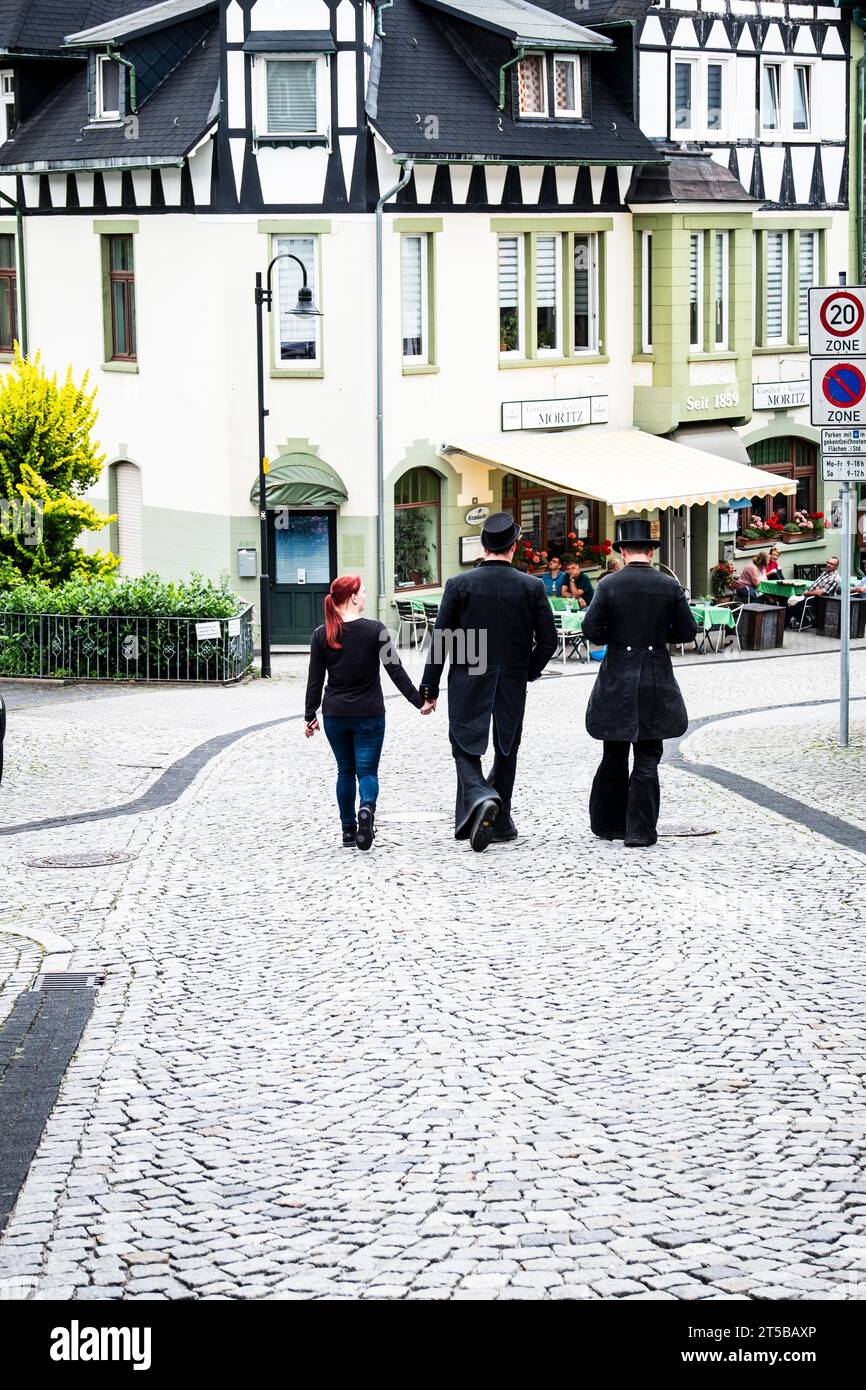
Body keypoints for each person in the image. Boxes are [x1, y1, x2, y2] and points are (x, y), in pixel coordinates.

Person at [419, 512, 557, 851]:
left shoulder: (459, 585)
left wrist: (430, 688)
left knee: (463, 744)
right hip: (511, 677)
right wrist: (528, 670)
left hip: (469, 675)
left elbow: (442, 640)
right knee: (507, 747)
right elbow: (549, 640)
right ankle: (500, 819)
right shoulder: (531, 586)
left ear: (484, 547)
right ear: (514, 547)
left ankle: (482, 795)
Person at [581, 518, 699, 849]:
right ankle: (640, 830)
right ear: (650, 550)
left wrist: (614, 637)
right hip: (655, 674)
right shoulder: (668, 585)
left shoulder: (608, 585)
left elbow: (592, 630)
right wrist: (661, 636)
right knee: (648, 756)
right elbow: (688, 631)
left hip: (618, 673)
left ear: (622, 550)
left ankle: (609, 824)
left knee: (614, 752)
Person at [305, 575, 434, 849]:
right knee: (367, 772)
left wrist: (309, 716)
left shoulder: (321, 634)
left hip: (335, 715)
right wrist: (419, 702)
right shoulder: (376, 630)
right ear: (352, 597)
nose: (365, 596)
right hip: (369, 714)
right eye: (363, 592)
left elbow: (314, 680)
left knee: (344, 771)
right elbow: (395, 670)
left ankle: (349, 832)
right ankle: (367, 809)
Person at [786, 555, 841, 628]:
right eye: (828, 562)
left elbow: (820, 593)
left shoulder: (834, 578)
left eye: (831, 564)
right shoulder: (826, 572)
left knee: (796, 604)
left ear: (836, 567)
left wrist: (807, 593)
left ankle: (801, 623)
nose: (828, 565)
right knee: (790, 600)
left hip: (822, 599)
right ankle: (798, 621)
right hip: (811, 595)